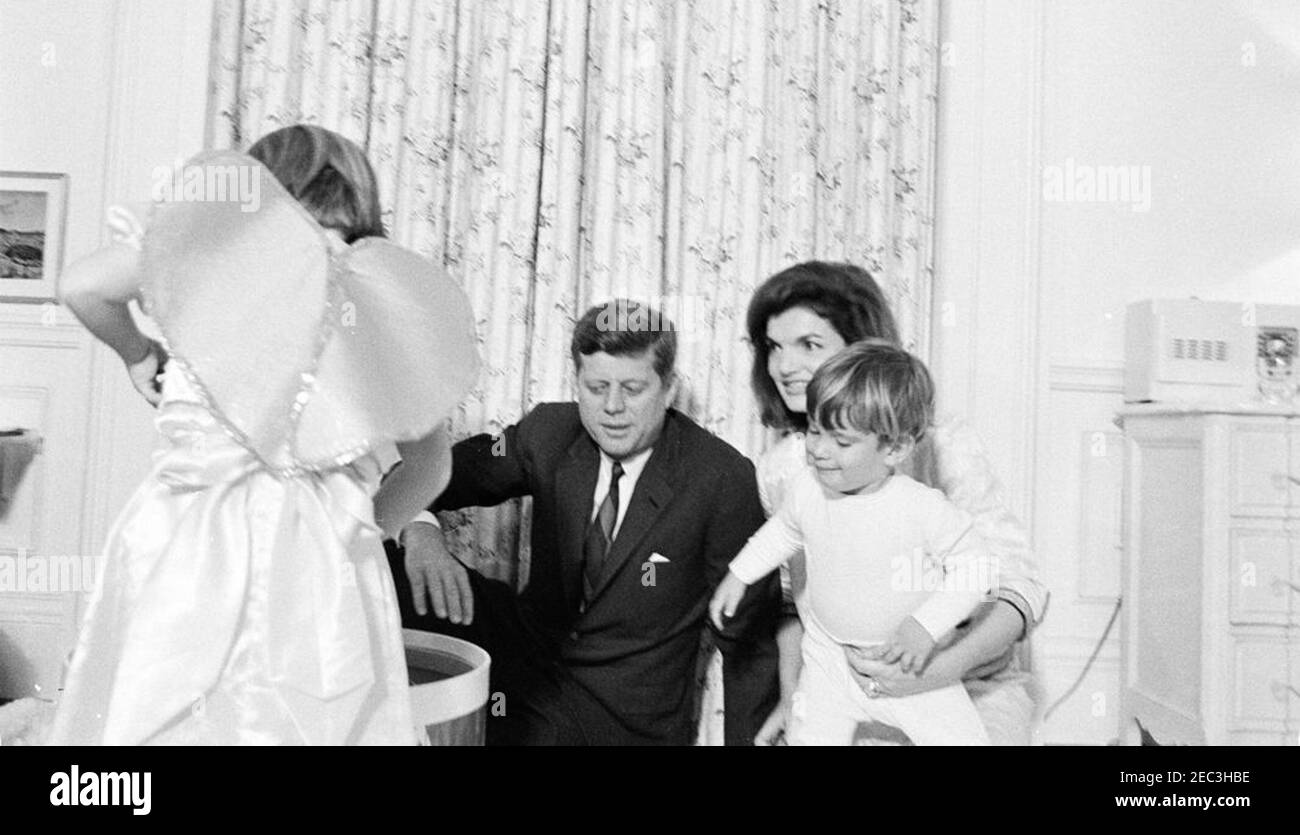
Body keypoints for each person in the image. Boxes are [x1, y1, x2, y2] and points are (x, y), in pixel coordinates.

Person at [51, 125, 479, 745]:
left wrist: (137, 352)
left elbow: (79, 287)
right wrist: (361, 528)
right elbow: (431, 467)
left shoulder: (209, 253)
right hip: (319, 558)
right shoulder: (381, 300)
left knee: (163, 710)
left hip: (188, 541)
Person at [390, 300, 780, 745]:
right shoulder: (548, 431)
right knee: (380, 554)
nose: (612, 407)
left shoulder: (721, 477)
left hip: (624, 719)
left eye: (633, 389)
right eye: (597, 388)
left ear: (669, 389)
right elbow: (435, 476)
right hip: (527, 674)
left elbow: (749, 644)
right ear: (577, 383)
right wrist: (420, 529)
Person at [742, 261, 1049, 746]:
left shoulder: (942, 444)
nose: (783, 365)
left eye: (809, 344)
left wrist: (935, 672)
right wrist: (793, 698)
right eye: (773, 346)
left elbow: (1021, 590)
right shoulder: (781, 470)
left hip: (970, 687)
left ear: (862, 351)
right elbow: (792, 609)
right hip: (849, 690)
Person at [712, 340, 992, 745]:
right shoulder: (808, 488)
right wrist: (740, 573)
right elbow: (784, 531)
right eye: (814, 430)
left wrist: (924, 627)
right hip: (829, 660)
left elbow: (978, 568)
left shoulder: (920, 507)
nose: (819, 450)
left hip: (905, 664)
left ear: (894, 448)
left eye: (841, 441)